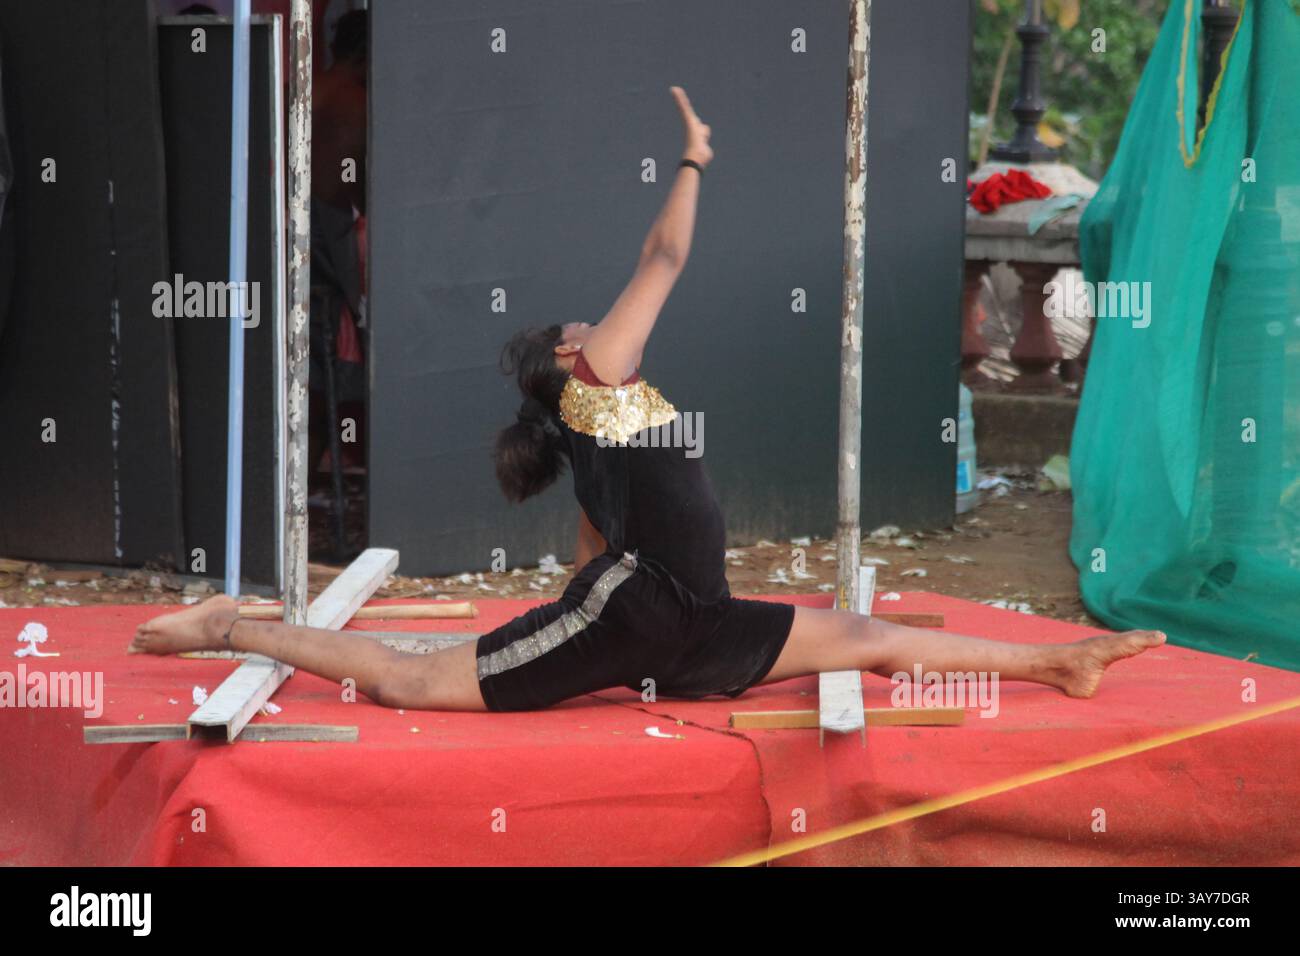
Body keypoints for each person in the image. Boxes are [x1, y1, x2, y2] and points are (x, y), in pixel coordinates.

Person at [130, 87, 1164, 712]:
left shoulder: (598, 425)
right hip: (643, 617)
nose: (599, 326)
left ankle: (1056, 662)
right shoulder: (591, 387)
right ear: (572, 357)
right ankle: (233, 627)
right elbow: (662, 254)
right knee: (410, 677)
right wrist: (692, 157)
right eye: (585, 327)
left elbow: (594, 550)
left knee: (865, 635)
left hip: (688, 617)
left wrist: (598, 619)